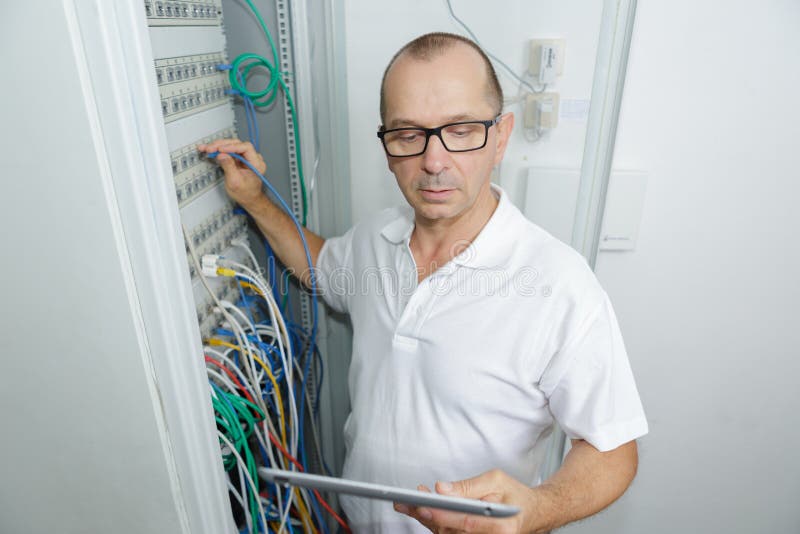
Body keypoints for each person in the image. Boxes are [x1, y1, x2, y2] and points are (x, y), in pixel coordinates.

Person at [200, 32, 648, 534]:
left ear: (501, 137)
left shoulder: (557, 284)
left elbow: (613, 448)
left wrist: (539, 509)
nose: (433, 161)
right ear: (388, 147)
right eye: (408, 135)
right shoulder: (376, 238)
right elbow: (320, 267)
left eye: (460, 130)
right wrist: (255, 198)